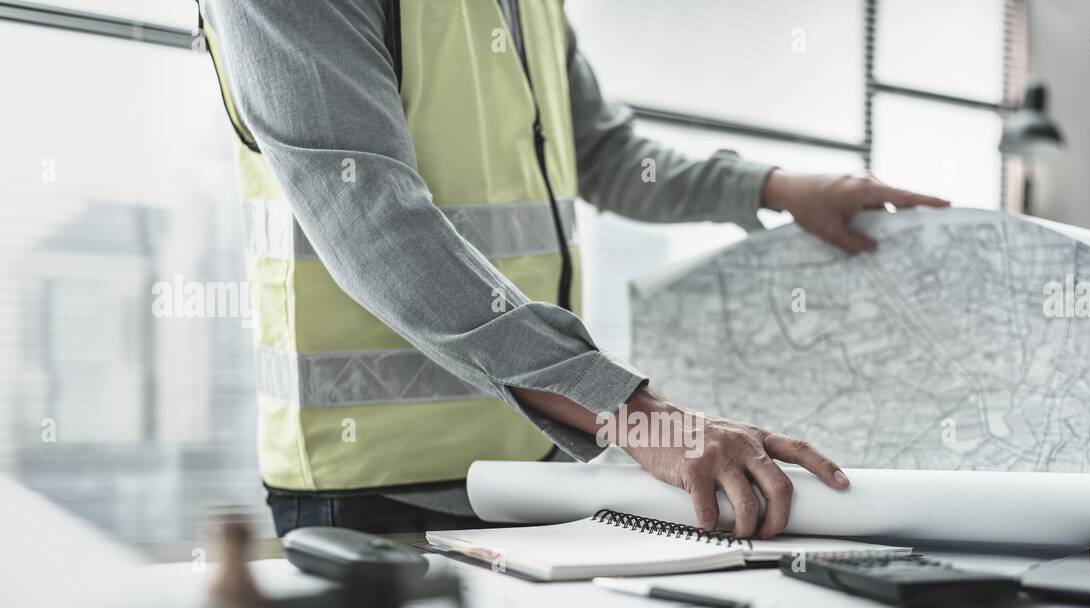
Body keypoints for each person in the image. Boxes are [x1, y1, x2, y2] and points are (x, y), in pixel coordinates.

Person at [197, 0, 949, 540]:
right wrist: (635, 412)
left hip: (537, 469)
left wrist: (772, 187)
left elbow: (606, 154)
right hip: (375, 491)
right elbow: (369, 216)